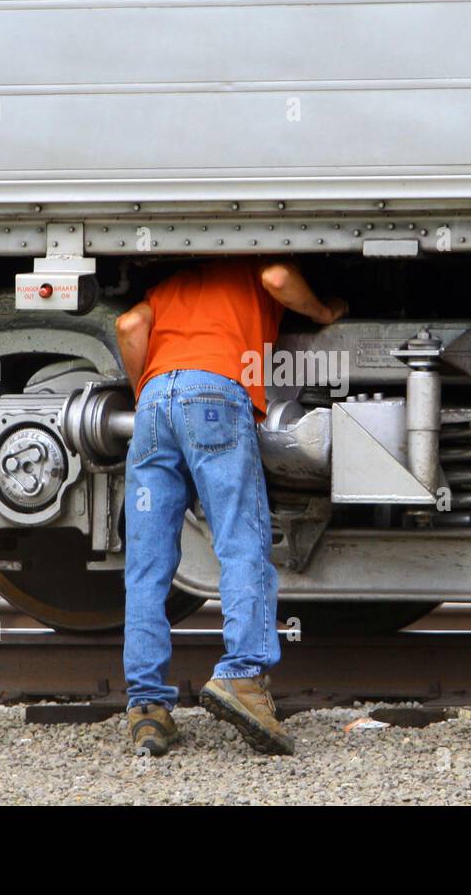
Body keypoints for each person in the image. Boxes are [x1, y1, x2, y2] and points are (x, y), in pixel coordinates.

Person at [114, 257, 347, 756]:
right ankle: (242, 675)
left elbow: (129, 326)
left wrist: (145, 394)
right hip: (214, 395)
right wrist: (323, 312)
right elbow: (278, 279)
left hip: (154, 404)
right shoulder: (251, 265)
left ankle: (147, 707)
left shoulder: (169, 286)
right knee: (241, 544)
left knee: (147, 564)